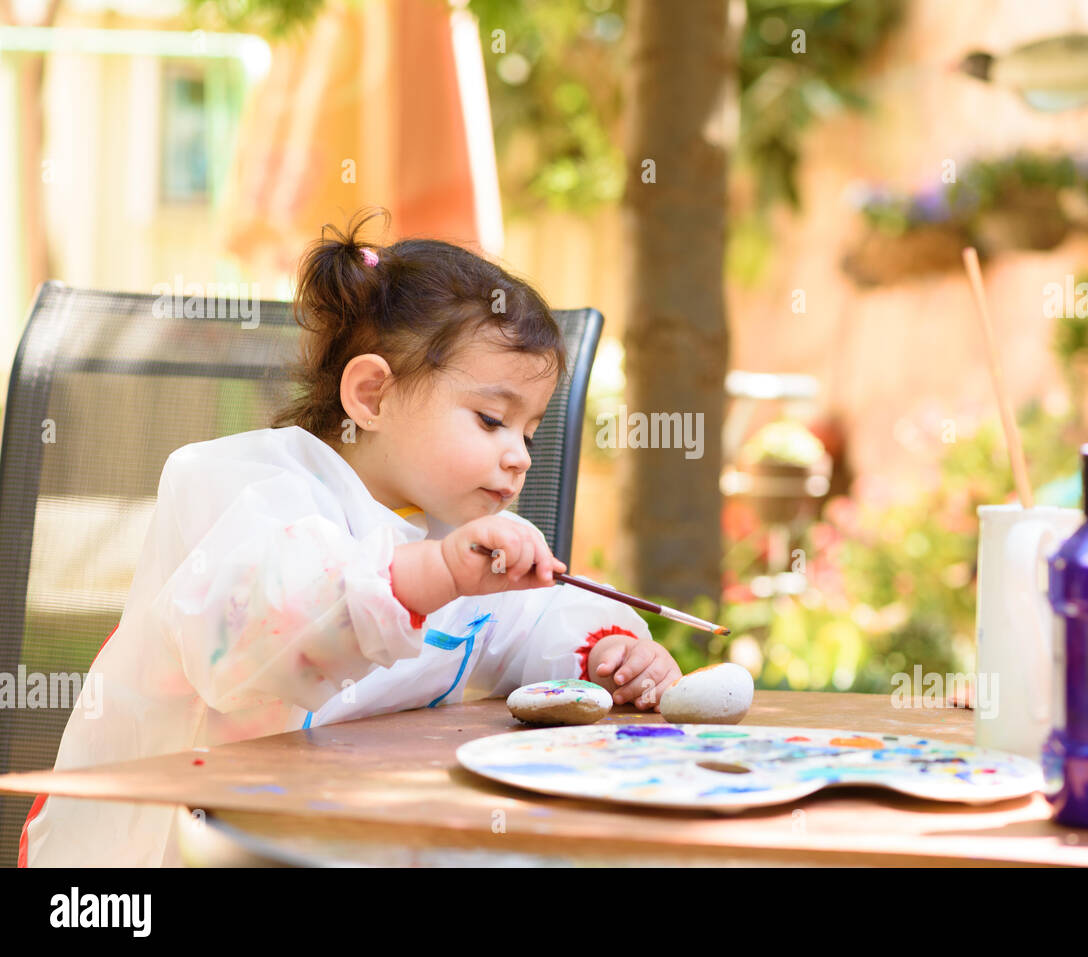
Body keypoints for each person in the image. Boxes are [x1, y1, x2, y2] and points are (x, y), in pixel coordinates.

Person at [21, 207, 681, 867]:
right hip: (157, 853)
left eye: (529, 432)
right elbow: (264, 630)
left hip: (341, 832)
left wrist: (606, 652)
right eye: (490, 419)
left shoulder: (461, 537)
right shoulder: (238, 486)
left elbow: (534, 620)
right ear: (372, 394)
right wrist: (428, 575)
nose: (519, 457)